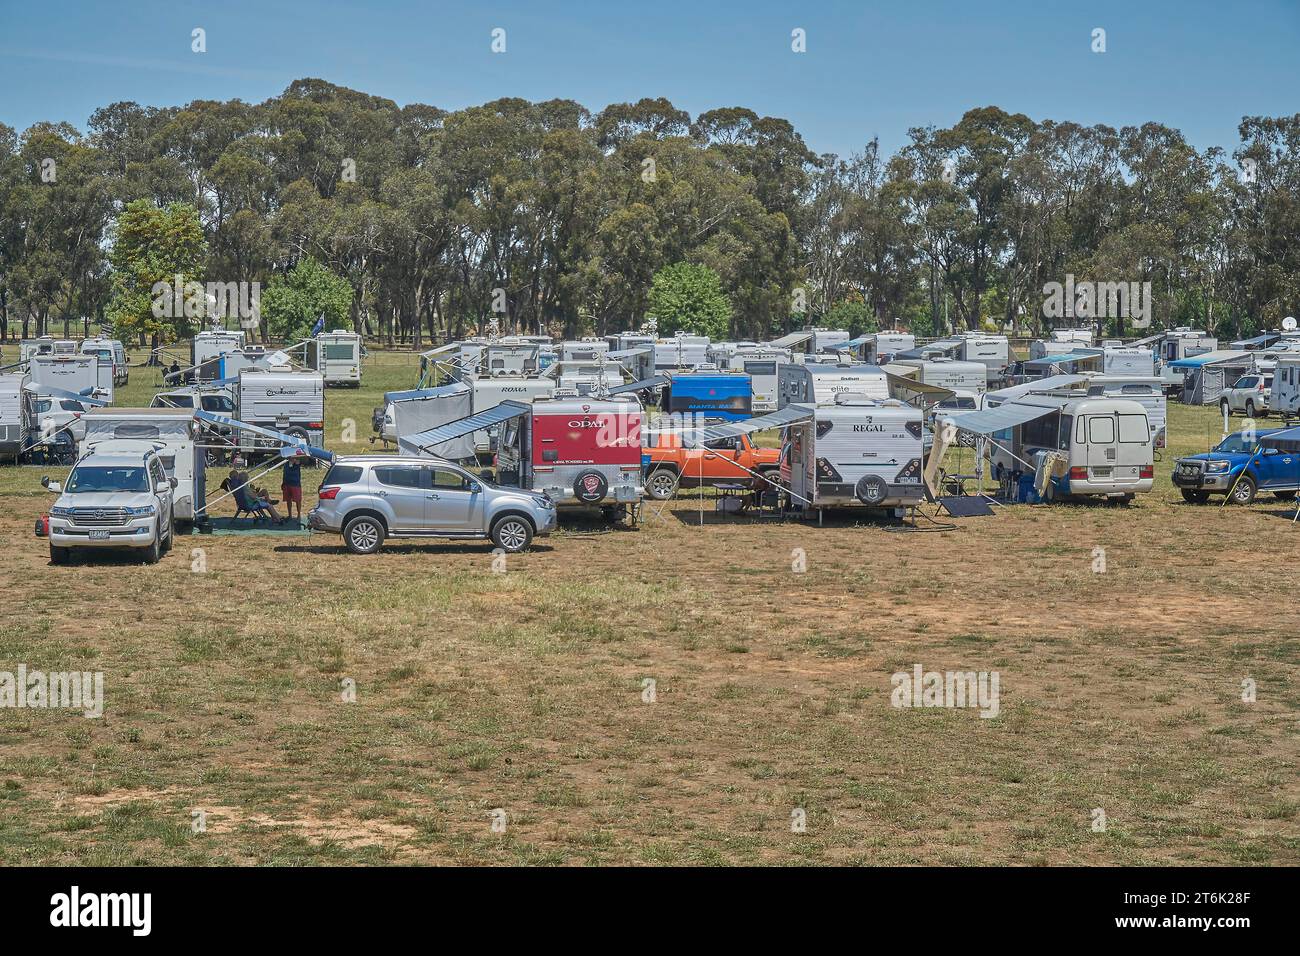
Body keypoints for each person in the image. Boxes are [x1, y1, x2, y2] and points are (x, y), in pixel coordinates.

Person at [228, 457, 284, 522]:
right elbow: (254, 497)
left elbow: (249, 496)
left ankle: (277, 517)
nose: (248, 479)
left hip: (243, 504)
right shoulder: (244, 487)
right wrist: (258, 495)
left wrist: (253, 492)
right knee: (268, 505)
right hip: (249, 505)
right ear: (244, 479)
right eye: (247, 478)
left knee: (264, 499)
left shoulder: (236, 486)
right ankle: (278, 519)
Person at [280, 455, 303, 523]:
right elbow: (284, 473)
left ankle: (299, 515)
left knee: (297, 500)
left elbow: (299, 462)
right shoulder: (286, 464)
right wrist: (283, 482)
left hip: (295, 484)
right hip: (287, 484)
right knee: (288, 500)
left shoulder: (297, 462)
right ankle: (290, 515)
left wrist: (294, 461)